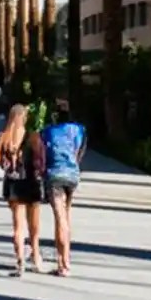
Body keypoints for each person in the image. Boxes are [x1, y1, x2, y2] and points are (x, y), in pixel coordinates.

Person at [0, 104, 46, 276]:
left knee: (18, 226)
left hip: (13, 184)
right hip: (30, 182)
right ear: (24, 117)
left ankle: (20, 262)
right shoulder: (33, 137)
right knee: (34, 225)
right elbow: (40, 162)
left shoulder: (4, 137)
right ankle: (36, 257)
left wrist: (11, 162)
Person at [40, 106, 86, 277]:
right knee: (66, 217)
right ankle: (65, 259)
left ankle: (63, 263)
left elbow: (43, 154)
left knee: (60, 219)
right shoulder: (79, 129)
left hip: (55, 176)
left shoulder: (47, 131)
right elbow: (80, 151)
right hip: (72, 175)